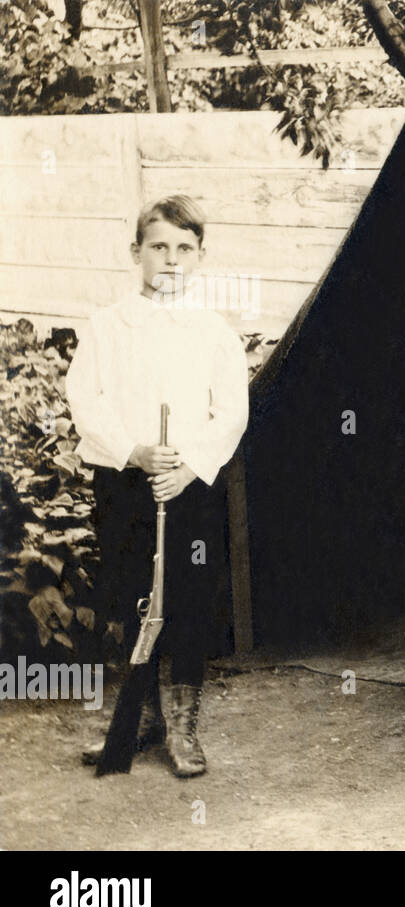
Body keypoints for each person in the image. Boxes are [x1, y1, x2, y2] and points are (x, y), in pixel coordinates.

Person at [69, 195, 248, 778]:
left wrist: (189, 465)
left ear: (200, 256)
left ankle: (184, 727)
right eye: (159, 247)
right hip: (125, 482)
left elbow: (231, 413)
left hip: (189, 488)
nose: (171, 259)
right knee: (130, 598)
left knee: (188, 601)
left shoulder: (215, 332)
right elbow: (86, 400)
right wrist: (135, 453)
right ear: (136, 253)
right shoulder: (106, 326)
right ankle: (138, 717)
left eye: (184, 248)